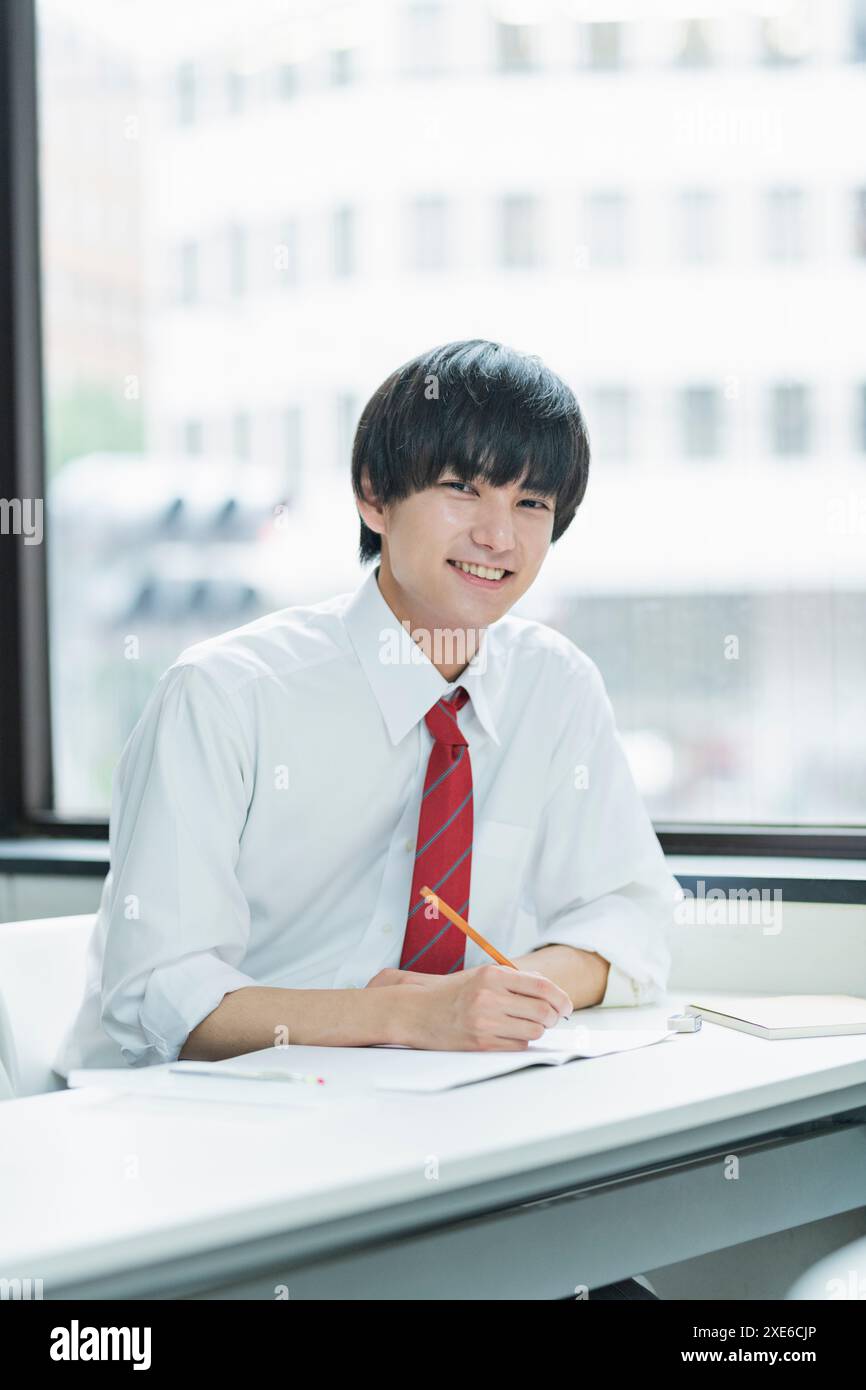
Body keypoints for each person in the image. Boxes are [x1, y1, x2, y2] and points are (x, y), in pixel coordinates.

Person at [53, 338, 679, 1076]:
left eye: (531, 503)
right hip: (193, 1115)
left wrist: (499, 998)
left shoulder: (557, 684)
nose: (498, 535)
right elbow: (158, 995)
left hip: (424, 1103)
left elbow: (630, 917)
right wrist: (411, 1016)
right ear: (374, 494)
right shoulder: (225, 695)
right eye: (464, 489)